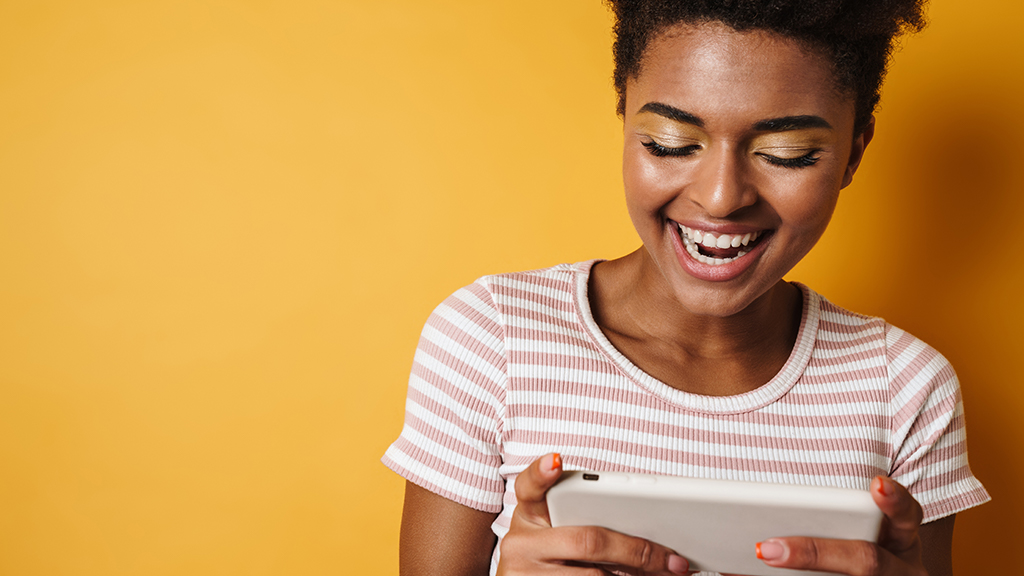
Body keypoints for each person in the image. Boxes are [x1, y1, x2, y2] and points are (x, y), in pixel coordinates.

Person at [382, 1, 990, 575]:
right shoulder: (492, 335)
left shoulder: (906, 389)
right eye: (669, 144)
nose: (721, 197)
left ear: (854, 153)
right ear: (625, 117)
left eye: (787, 153)